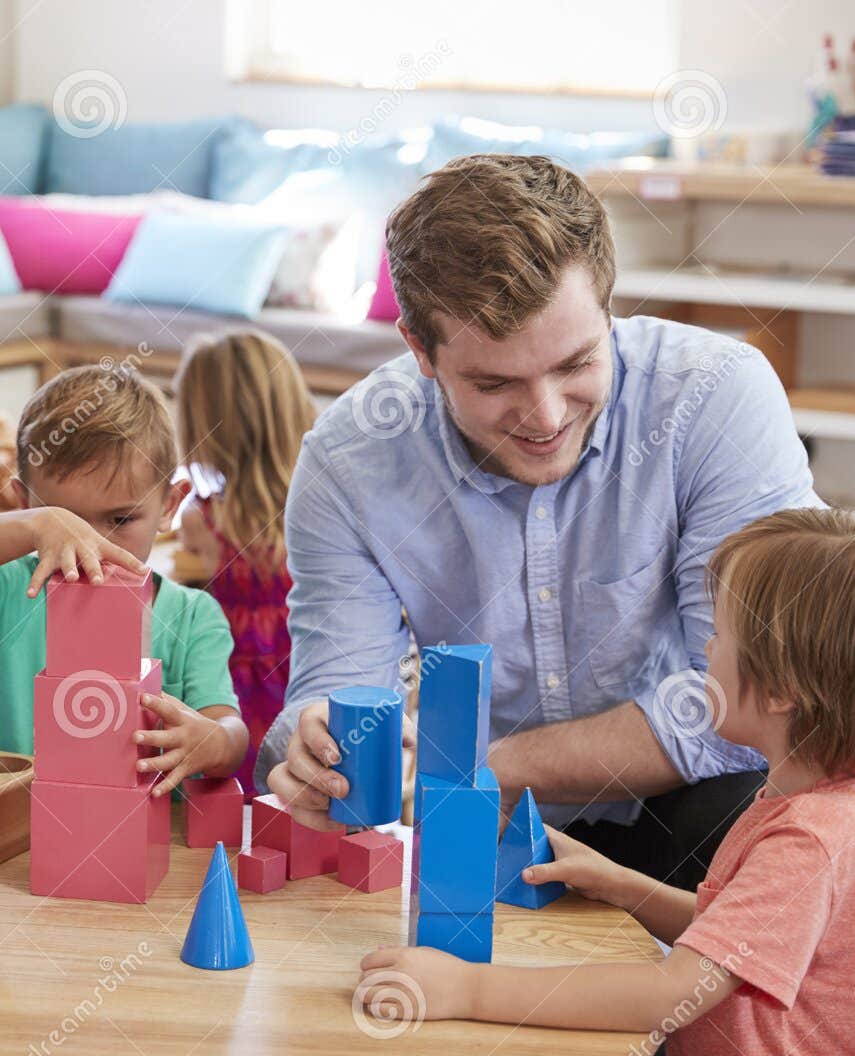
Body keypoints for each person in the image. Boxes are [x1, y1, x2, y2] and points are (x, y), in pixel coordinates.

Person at [263, 153, 821, 888]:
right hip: (472, 822)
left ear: (608, 309)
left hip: (686, 806)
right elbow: (337, 684)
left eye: (575, 363)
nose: (546, 416)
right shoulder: (350, 461)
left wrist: (494, 768)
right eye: (495, 382)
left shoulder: (716, 395)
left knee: (769, 809)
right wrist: (316, 744)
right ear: (419, 350)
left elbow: (747, 697)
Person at [358, 508, 855, 1056]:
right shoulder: (842, 797)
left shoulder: (810, 838)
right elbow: (739, 937)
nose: (708, 651)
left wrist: (467, 990)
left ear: (780, 693)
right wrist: (622, 886)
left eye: (720, 636)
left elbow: (671, 991)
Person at [0, 363, 248, 792]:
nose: (91, 545)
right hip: (10, 844)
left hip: (141, 843)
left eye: (121, 518)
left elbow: (230, 734)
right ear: (25, 504)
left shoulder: (191, 616)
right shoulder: (4, 589)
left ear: (170, 504)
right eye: (65, 520)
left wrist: (212, 741)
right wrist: (34, 527)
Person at [174, 331, 317, 793]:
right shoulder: (322, 503)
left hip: (234, 694)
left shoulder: (202, 519)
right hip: (307, 684)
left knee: (236, 802)